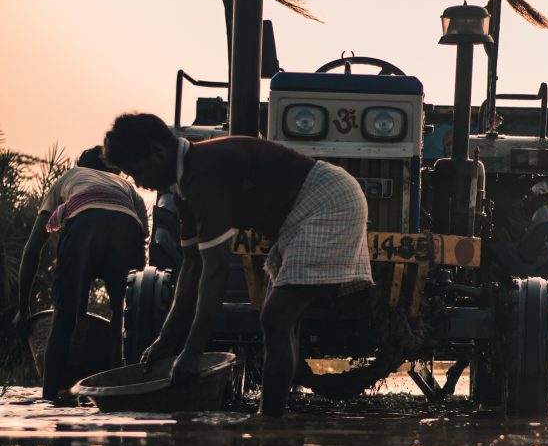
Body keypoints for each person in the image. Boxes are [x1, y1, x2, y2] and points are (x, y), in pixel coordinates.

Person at [102, 113, 373, 417]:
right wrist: (166, 340)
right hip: (295, 220)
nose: (139, 183)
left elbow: (215, 271)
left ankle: (269, 419)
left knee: (275, 317)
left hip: (328, 200)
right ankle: (273, 414)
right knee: (281, 320)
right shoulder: (183, 191)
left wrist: (192, 352)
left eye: (137, 172)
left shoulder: (203, 174)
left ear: (158, 153)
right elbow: (192, 267)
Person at [15, 146, 148, 401]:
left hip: (84, 225)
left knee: (64, 317)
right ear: (114, 171)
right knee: (121, 317)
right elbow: (140, 237)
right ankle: (119, 395)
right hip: (127, 227)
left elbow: (32, 250)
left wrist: (23, 310)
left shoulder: (70, 176)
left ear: (81, 165)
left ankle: (49, 399)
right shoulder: (125, 186)